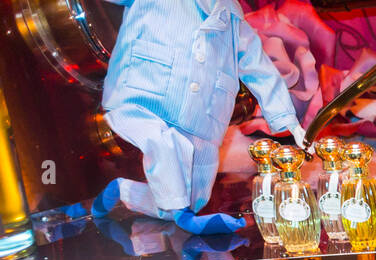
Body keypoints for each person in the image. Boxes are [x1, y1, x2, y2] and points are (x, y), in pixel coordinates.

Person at [92, 0, 306, 234]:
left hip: (203, 113)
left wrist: (289, 122)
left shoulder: (232, 12)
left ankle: (123, 191)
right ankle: (188, 221)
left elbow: (257, 66)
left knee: (189, 198)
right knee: (163, 143)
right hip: (145, 91)